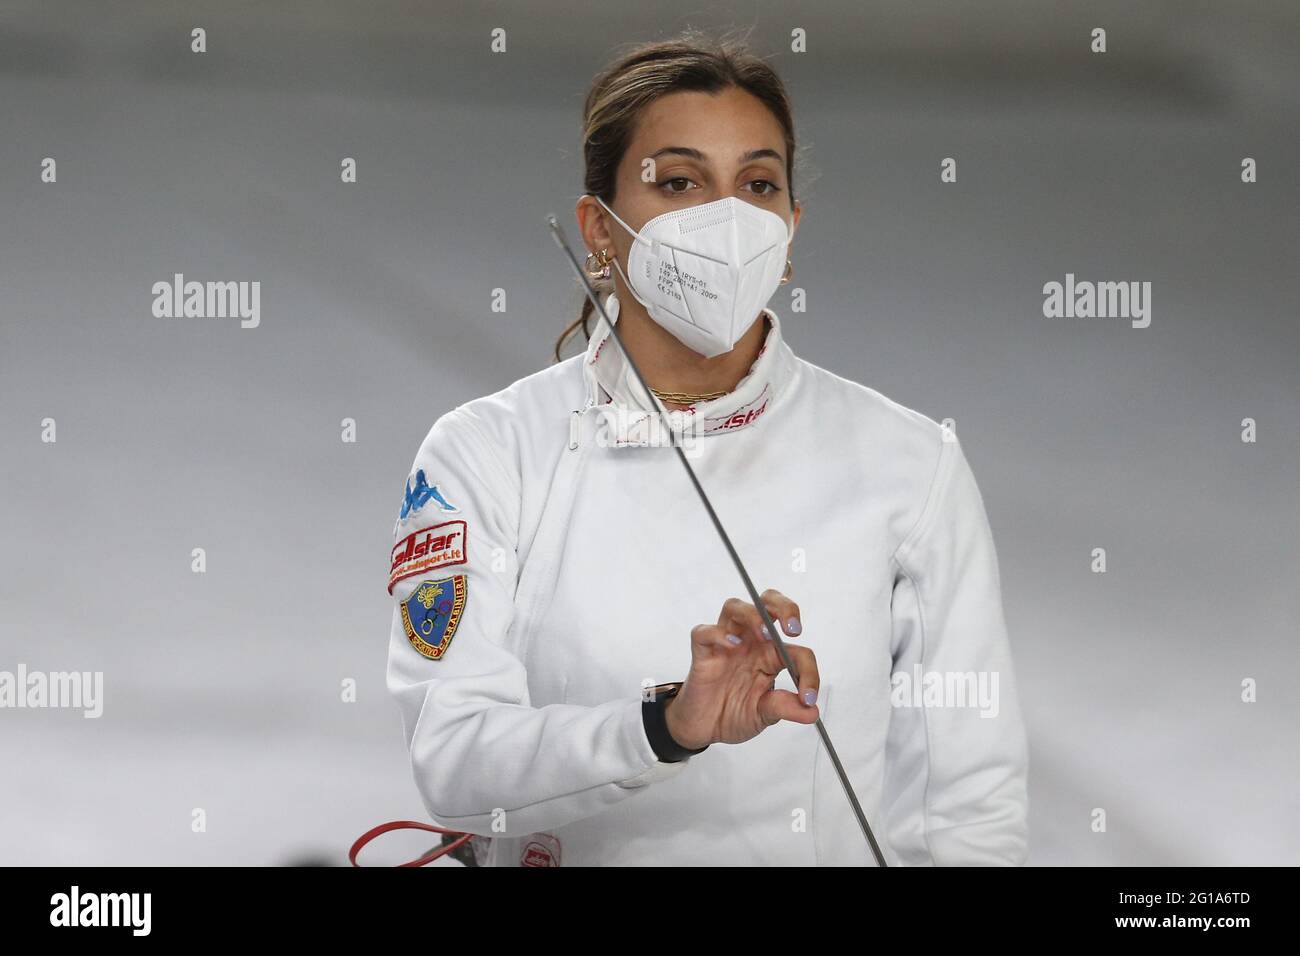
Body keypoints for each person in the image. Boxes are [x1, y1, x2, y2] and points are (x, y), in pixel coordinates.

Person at [385, 31, 1029, 866]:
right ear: (600, 230)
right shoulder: (486, 456)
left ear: (790, 229)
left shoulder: (908, 465)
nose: (726, 220)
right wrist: (666, 724)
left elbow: (969, 807)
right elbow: (456, 766)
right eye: (680, 182)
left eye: (757, 184)